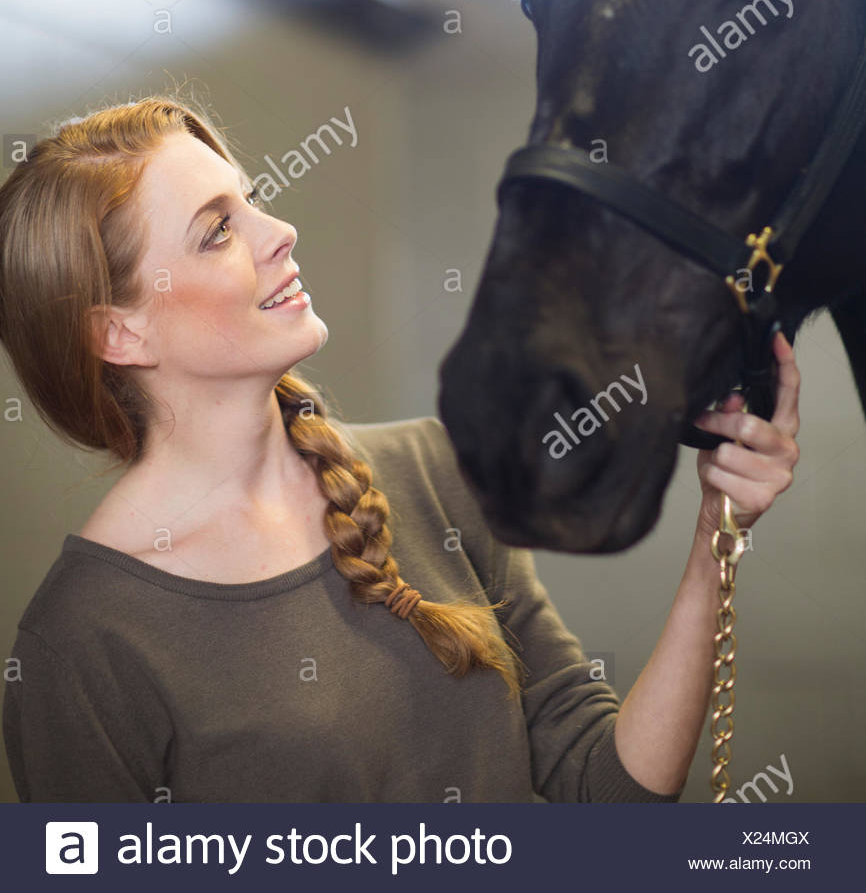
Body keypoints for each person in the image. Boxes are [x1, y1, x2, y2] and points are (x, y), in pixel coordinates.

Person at [0, 96, 801, 803]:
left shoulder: (432, 470)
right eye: (217, 231)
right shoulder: (79, 645)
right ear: (119, 331)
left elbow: (607, 796)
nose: (280, 233)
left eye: (254, 203)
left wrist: (714, 532)